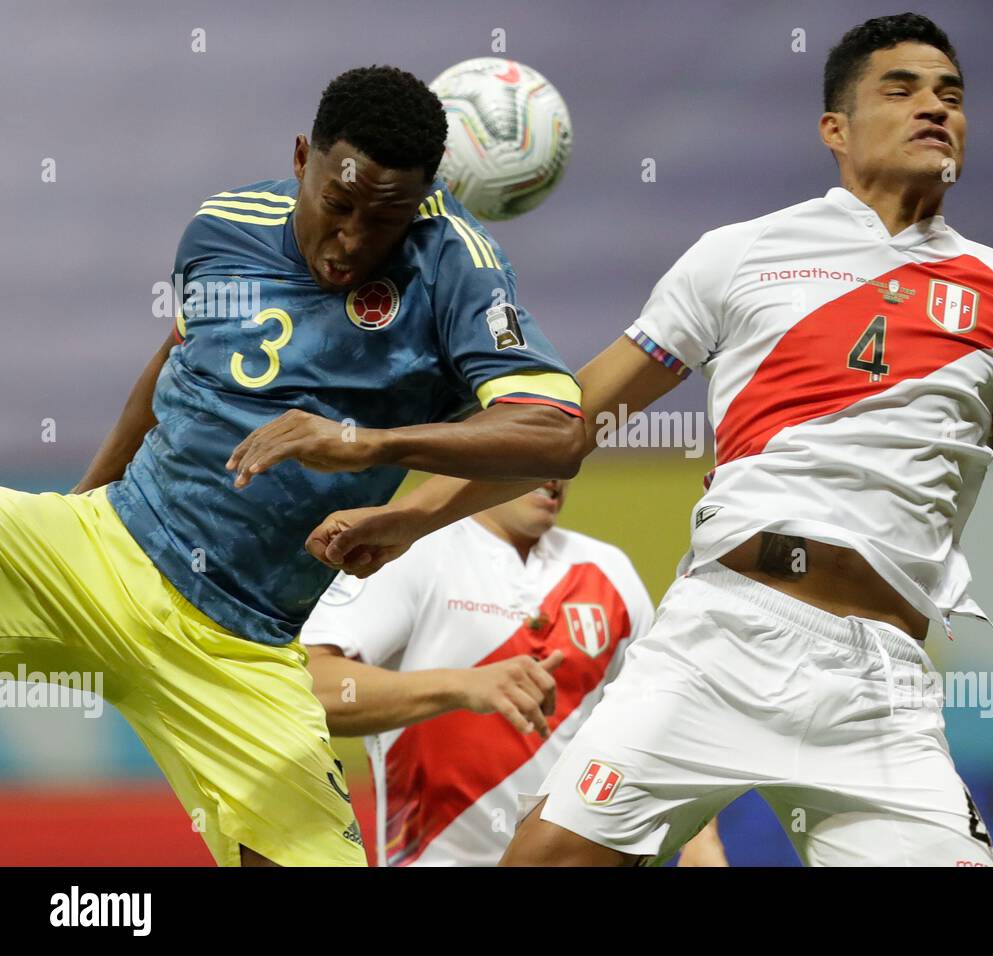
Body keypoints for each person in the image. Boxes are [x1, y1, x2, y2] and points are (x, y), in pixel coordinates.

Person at [298, 14, 993, 867]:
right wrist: (411, 517)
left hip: (882, 683)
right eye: (900, 89)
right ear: (835, 129)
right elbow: (568, 424)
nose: (934, 106)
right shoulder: (739, 257)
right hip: (725, 635)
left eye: (950, 93)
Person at [0, 65, 584, 867]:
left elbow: (555, 432)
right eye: (337, 207)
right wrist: (82, 507)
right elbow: (173, 362)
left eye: (383, 220)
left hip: (243, 647)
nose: (352, 241)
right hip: (107, 546)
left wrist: (366, 446)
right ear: (304, 157)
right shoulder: (223, 227)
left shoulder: (457, 271)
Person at [300, 480, 727, 866]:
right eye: (534, 451)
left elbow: (656, 721)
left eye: (565, 455)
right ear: (486, 450)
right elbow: (311, 689)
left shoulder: (610, 571)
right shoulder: (412, 551)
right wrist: (459, 685)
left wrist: (700, 838)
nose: (554, 472)